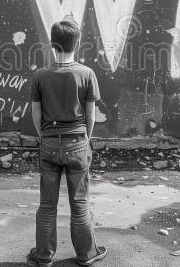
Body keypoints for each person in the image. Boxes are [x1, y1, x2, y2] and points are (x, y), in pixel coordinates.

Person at [27, 20, 107, 267]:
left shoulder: (40, 75)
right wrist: (85, 139)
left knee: (47, 204)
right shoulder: (87, 74)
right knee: (80, 202)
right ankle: (86, 255)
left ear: (52, 44)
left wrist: (45, 137)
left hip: (50, 142)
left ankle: (44, 256)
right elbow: (91, 116)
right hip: (77, 143)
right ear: (78, 43)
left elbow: (36, 115)